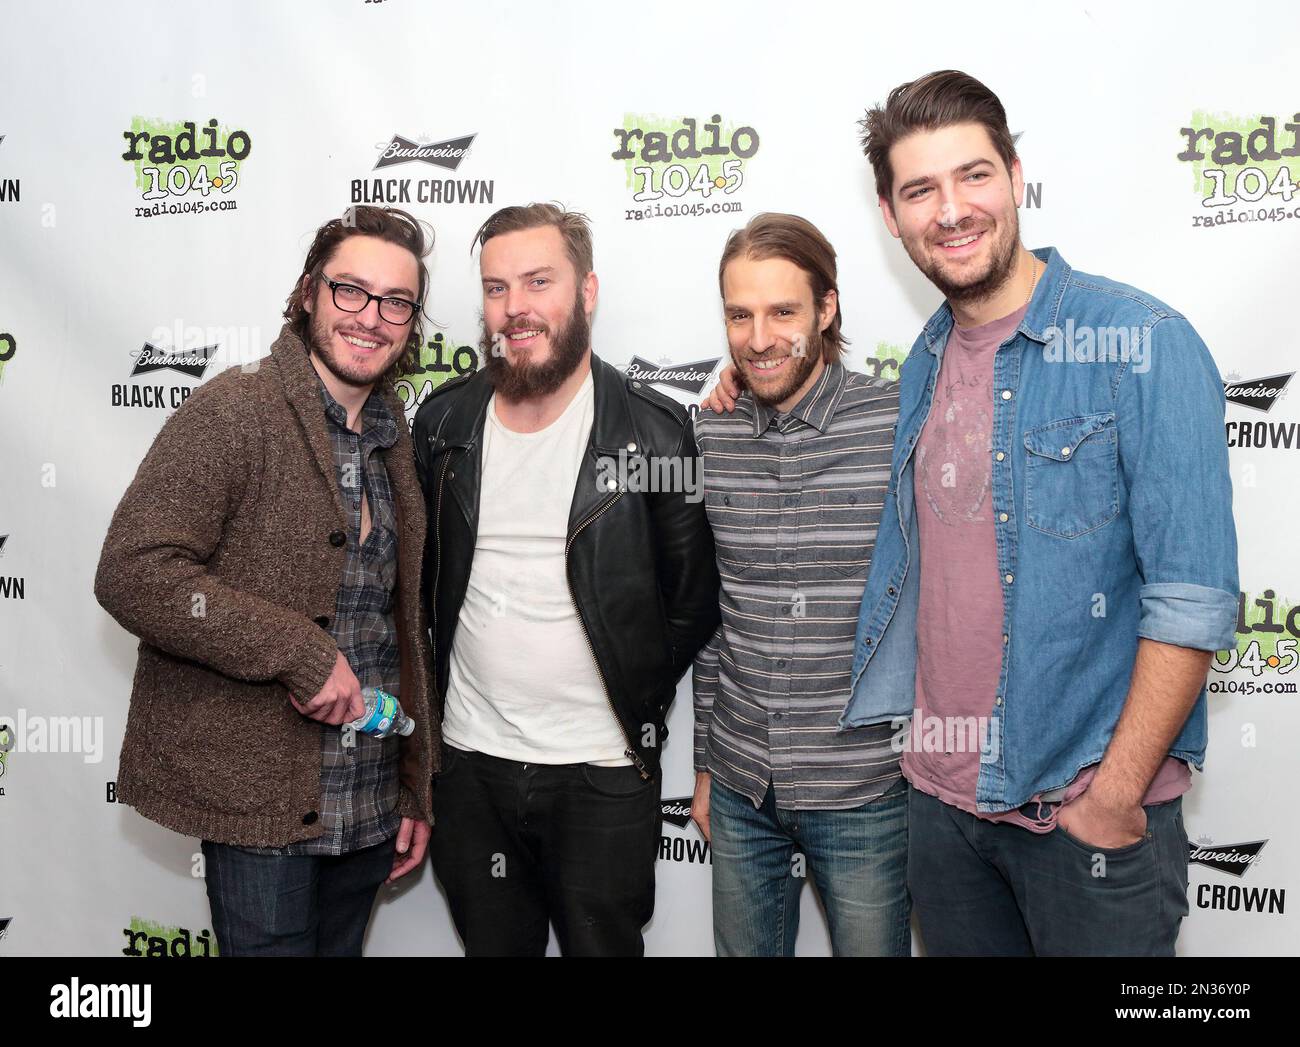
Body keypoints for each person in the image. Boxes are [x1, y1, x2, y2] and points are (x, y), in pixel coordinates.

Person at [706, 71, 1238, 956]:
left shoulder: (1140, 341)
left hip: (1077, 817)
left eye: (973, 176)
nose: (950, 210)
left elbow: (1191, 597)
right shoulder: (922, 361)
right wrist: (748, 379)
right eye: (921, 189)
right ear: (890, 213)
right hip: (939, 810)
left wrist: (1113, 794)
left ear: (1016, 175)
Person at [94, 205, 438, 956]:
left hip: (369, 805)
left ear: (412, 323)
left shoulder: (392, 435)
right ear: (309, 292)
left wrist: (413, 784)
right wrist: (297, 649)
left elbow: (395, 625)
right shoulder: (234, 409)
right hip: (265, 812)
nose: (371, 317)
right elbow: (133, 570)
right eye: (351, 290)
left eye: (396, 302)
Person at [413, 202, 719, 957]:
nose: (515, 308)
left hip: (602, 775)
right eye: (495, 288)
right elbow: (422, 587)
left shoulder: (653, 433)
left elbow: (690, 603)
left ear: (587, 292)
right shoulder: (444, 424)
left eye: (538, 281)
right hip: (470, 770)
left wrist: (629, 695)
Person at [692, 213, 910, 957]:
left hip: (865, 787)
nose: (758, 338)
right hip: (742, 780)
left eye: (783, 311)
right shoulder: (711, 431)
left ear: (827, 308)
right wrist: (703, 767)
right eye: (739, 314)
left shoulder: (897, 421)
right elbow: (715, 614)